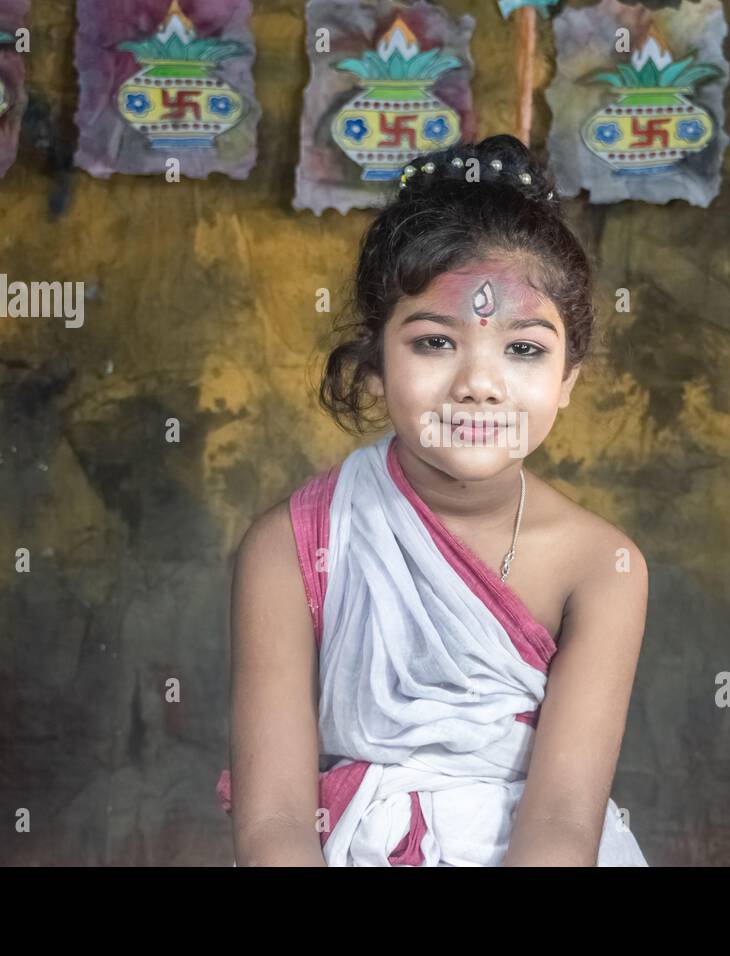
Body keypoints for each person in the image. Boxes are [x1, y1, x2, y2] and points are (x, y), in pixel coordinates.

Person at [219, 134, 649, 866]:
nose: (479, 383)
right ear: (377, 364)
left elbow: (562, 823)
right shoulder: (290, 547)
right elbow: (276, 825)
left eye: (523, 349)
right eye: (434, 343)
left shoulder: (602, 567)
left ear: (570, 379)